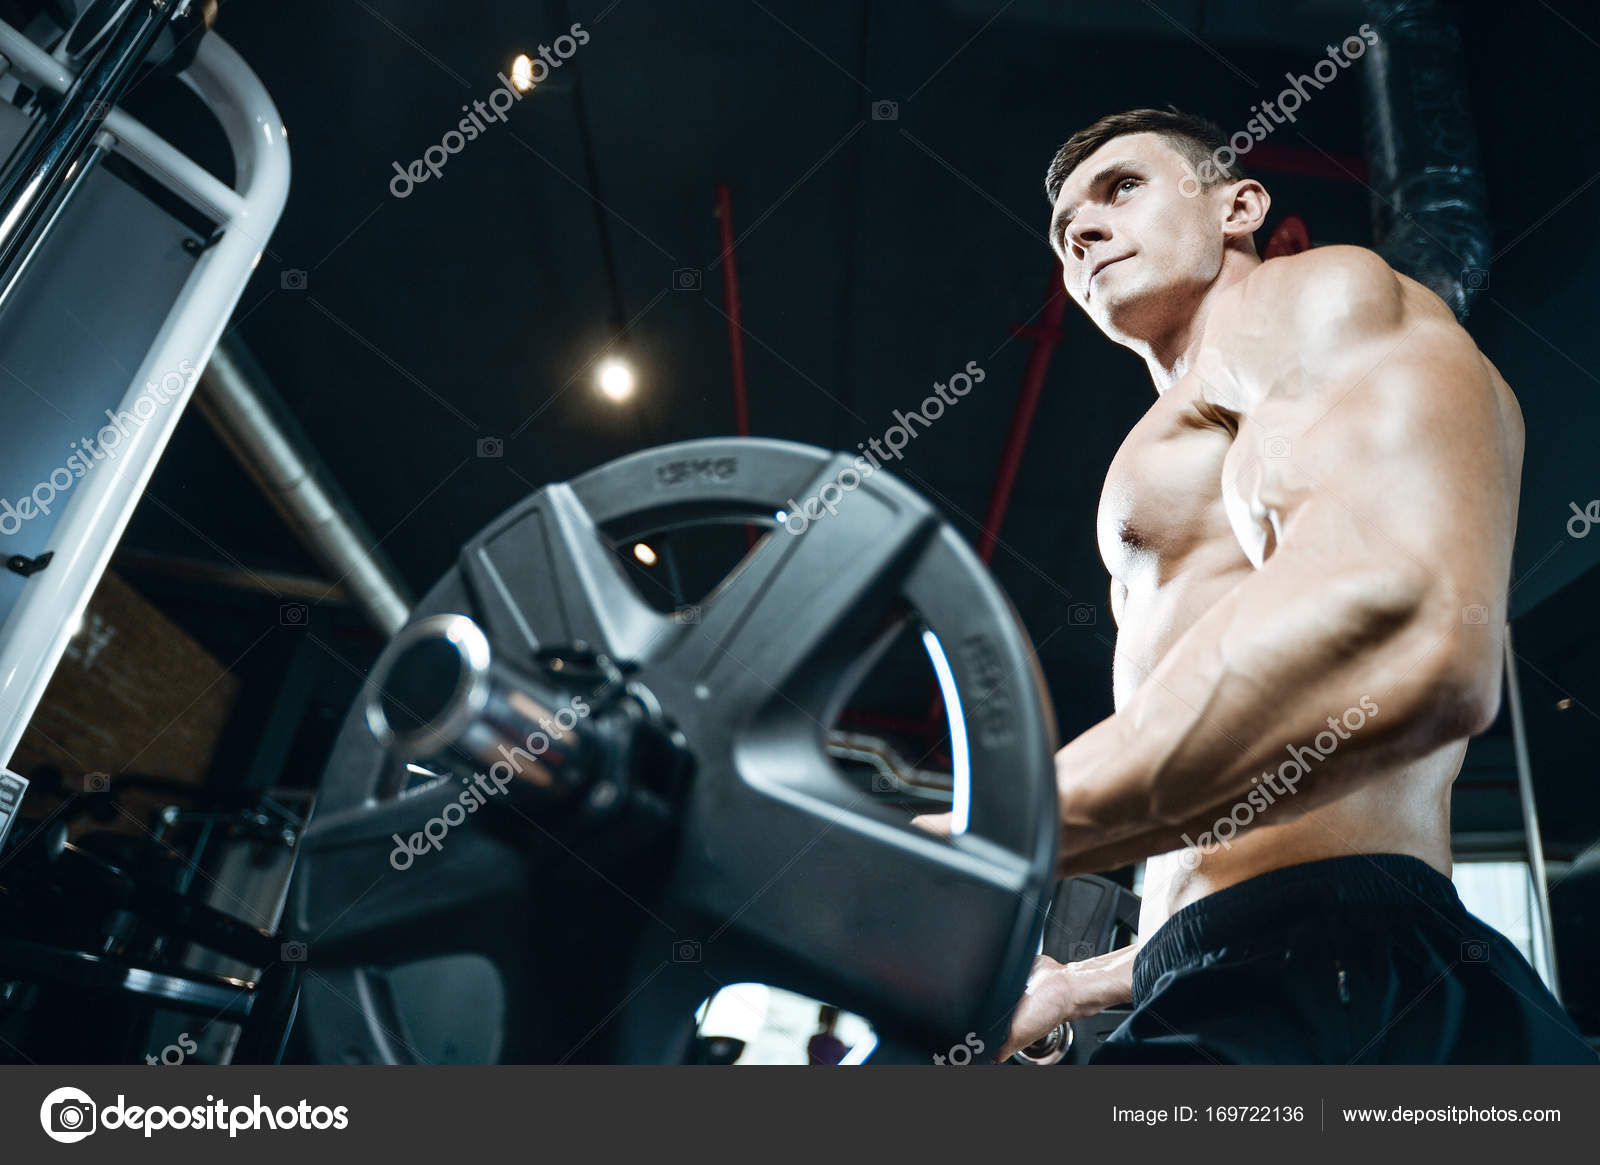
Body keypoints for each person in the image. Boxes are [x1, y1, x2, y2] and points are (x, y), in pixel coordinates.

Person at [917, 108, 1593, 1064]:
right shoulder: (1184, 437)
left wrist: (991, 833)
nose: (1085, 230)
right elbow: (1236, 855)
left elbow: (1400, 618)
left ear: (1239, 205)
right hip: (1234, 967)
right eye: (1067, 231)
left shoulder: (1317, 299)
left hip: (1345, 965)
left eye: (1122, 188)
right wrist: (1079, 981)